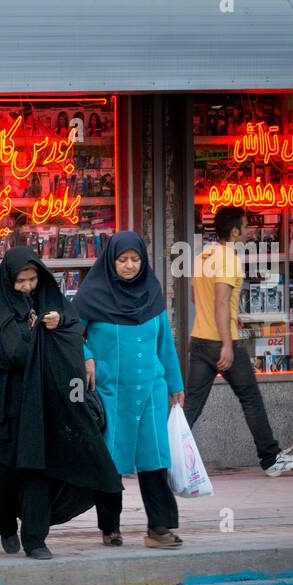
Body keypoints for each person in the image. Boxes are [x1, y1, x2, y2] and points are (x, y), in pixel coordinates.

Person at [0, 248, 121, 559]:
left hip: (44, 400)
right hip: (2, 401)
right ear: (9, 279)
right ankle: (6, 526)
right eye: (21, 281)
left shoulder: (47, 300)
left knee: (39, 468)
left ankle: (36, 538)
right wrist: (36, 335)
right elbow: (1, 350)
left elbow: (73, 330)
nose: (28, 286)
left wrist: (57, 324)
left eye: (33, 279)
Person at [76, 233, 185, 548]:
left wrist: (175, 384)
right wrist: (87, 358)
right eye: (122, 260)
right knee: (111, 462)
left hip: (150, 390)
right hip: (111, 394)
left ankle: (158, 528)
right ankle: (110, 527)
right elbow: (71, 332)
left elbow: (164, 342)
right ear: (111, 261)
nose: (129, 266)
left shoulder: (152, 293)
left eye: (135, 259)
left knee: (155, 460)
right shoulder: (92, 294)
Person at [183, 206, 293, 477]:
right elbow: (220, 302)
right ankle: (271, 459)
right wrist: (227, 343)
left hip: (200, 339)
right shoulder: (228, 258)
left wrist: (231, 315)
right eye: (246, 226)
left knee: (191, 405)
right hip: (221, 342)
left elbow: (197, 298)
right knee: (250, 397)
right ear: (235, 231)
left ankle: (165, 458)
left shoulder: (203, 255)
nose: (249, 231)